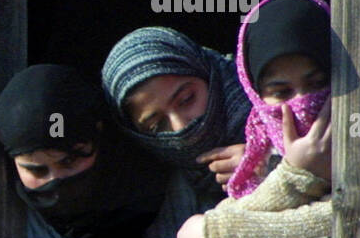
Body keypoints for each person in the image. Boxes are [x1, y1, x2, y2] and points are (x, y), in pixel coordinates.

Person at [0, 65, 194, 238]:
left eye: (69, 160)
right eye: (36, 170)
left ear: (100, 135)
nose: (56, 180)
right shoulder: (22, 220)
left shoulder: (176, 185)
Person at [175, 0, 333, 238]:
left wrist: (219, 233)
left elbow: (350, 213)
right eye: (282, 92)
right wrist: (290, 171)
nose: (303, 103)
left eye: (317, 83)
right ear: (256, 94)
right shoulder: (257, 156)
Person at [101, 26, 252, 210]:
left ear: (208, 74)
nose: (180, 127)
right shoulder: (173, 206)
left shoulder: (280, 101)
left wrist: (274, 163)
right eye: (157, 126)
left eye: (186, 99)